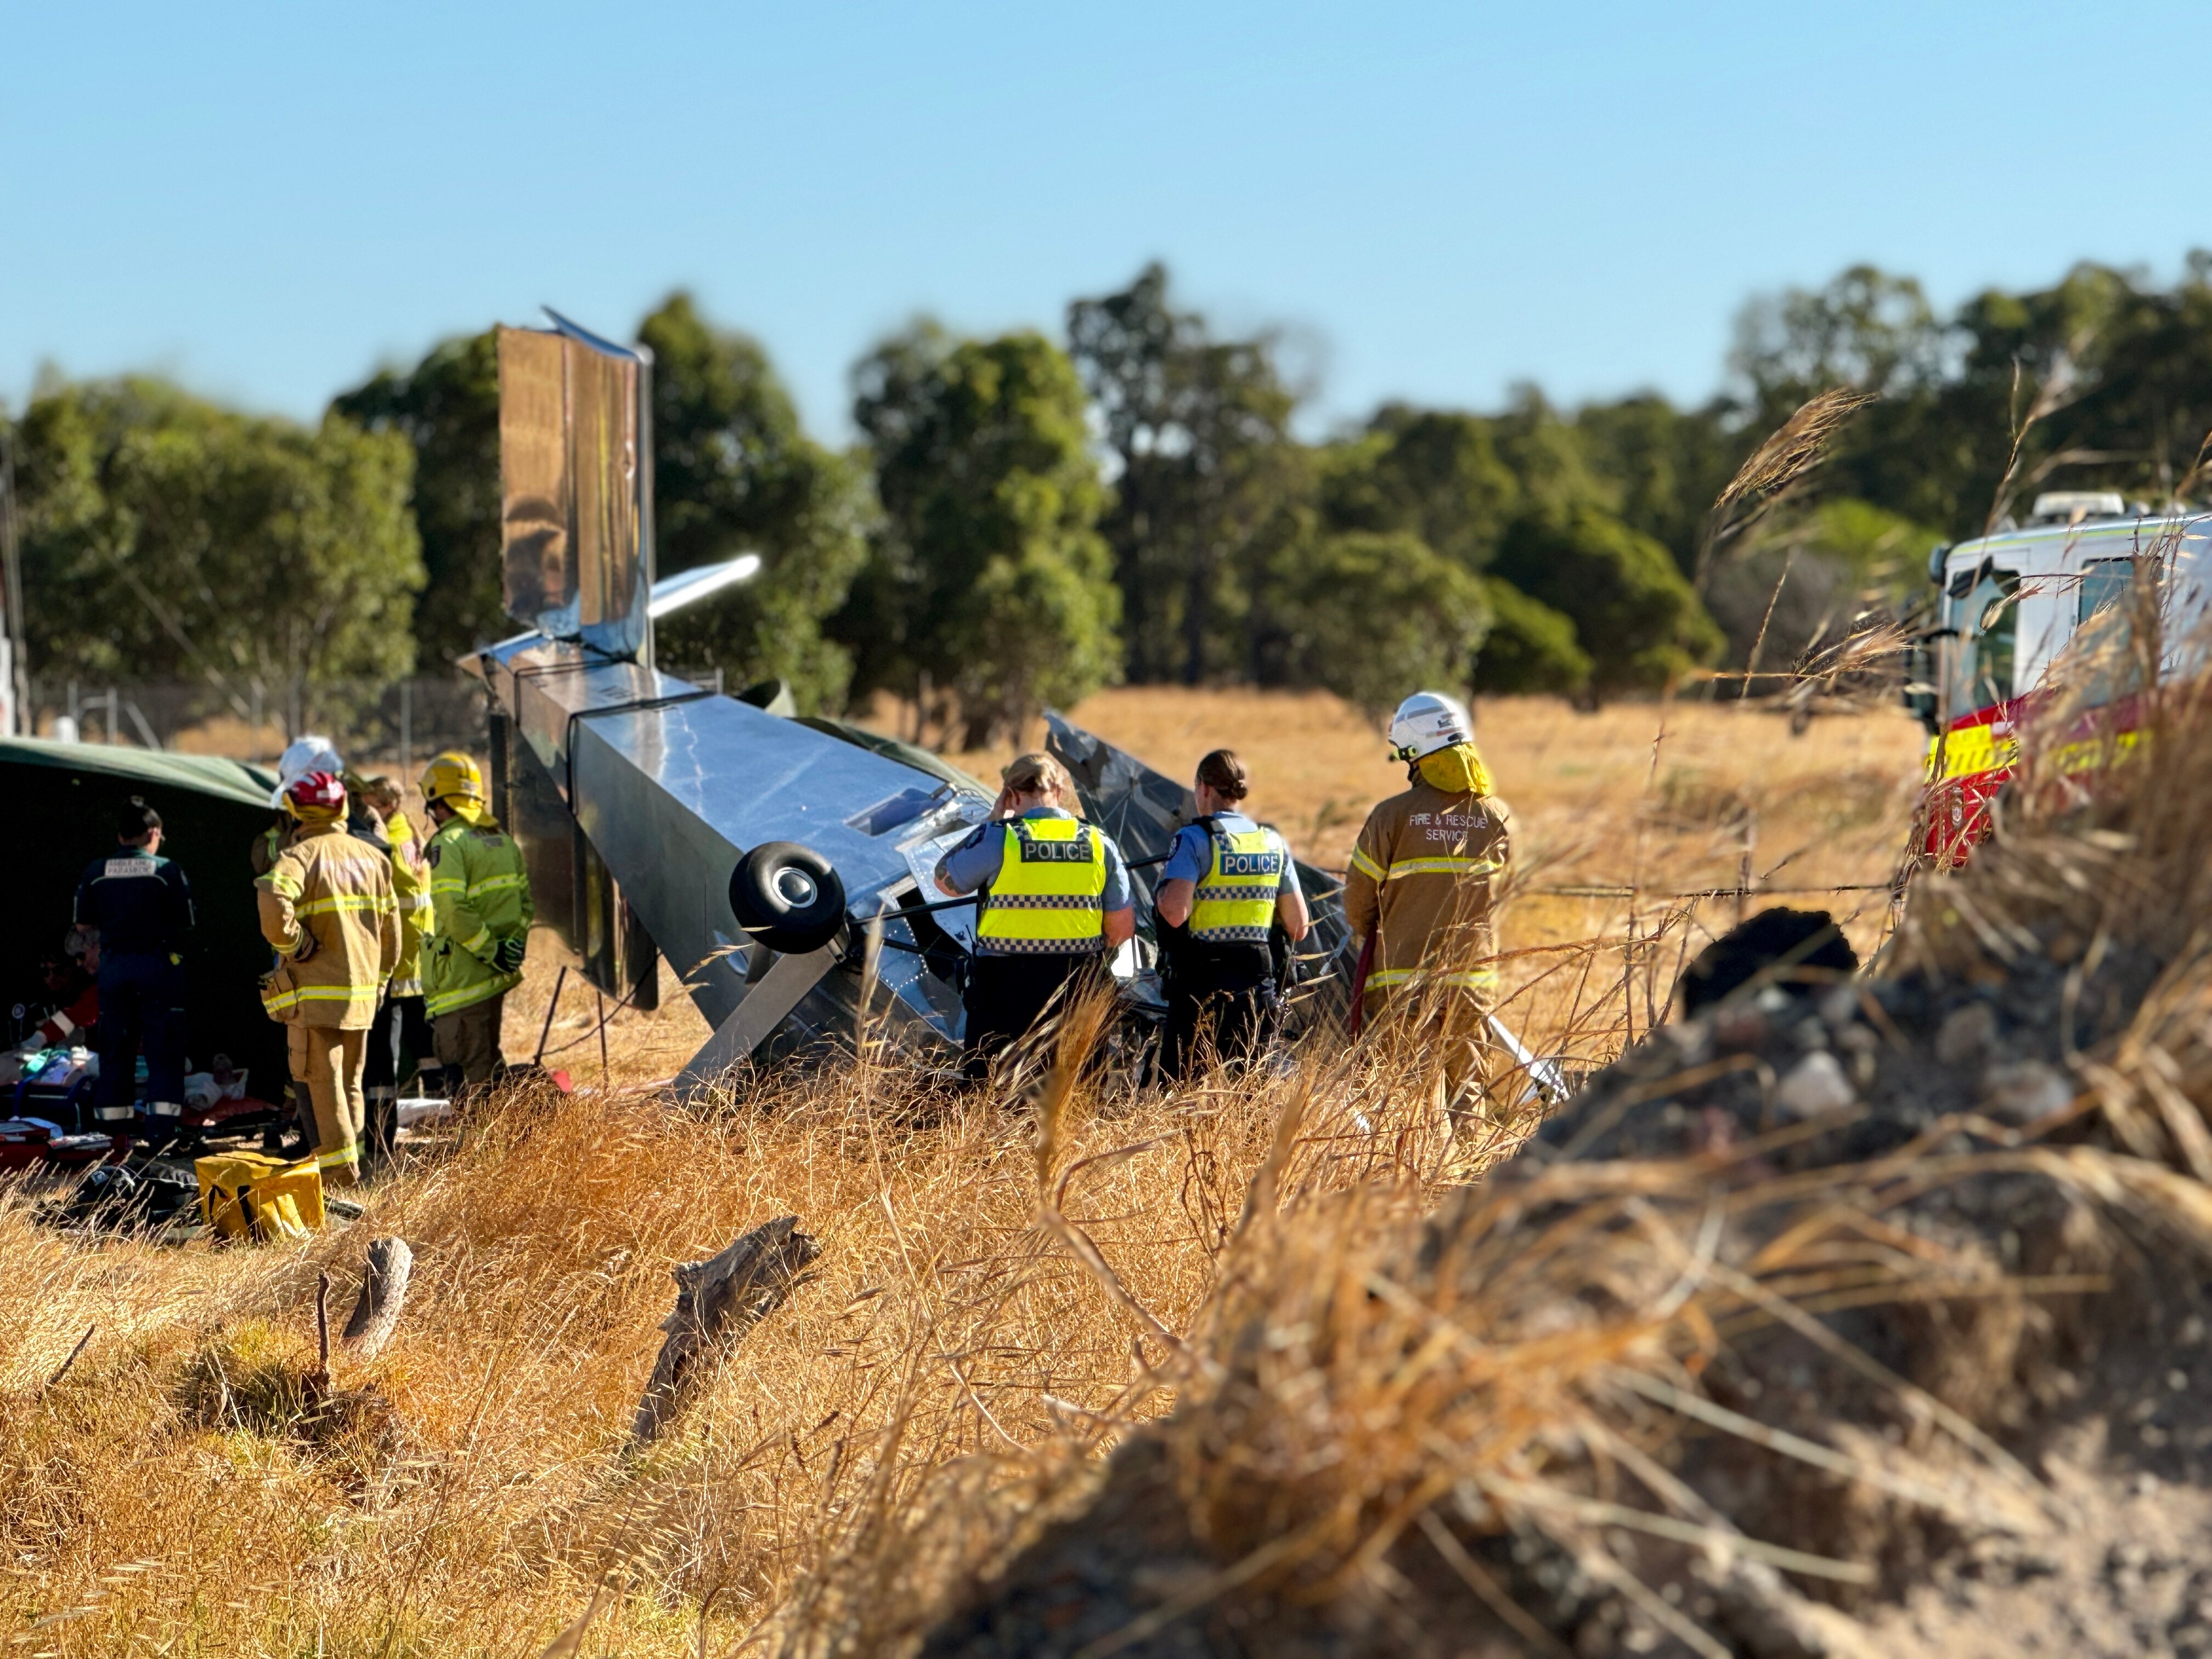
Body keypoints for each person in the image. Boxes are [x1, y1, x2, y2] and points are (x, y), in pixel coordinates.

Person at [1342, 691, 1512, 1124]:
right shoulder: (1496, 817)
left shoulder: (1391, 816)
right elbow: (1505, 897)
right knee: (1467, 1094)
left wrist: (1375, 932)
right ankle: (1465, 1181)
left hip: (1403, 983)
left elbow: (1359, 900)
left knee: (1401, 1098)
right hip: (1471, 981)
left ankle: (1403, 1183)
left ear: (1415, 752)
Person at [933, 752, 1136, 1082]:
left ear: (1011, 795)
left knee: (992, 1093)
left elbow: (945, 882)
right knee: (1072, 1095)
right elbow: (1121, 931)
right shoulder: (1099, 843)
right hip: (1076, 989)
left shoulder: (1000, 837)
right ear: (1060, 791)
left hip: (1003, 990)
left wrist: (992, 820)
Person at [255, 771, 400, 1189]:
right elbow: (393, 932)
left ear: (298, 810)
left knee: (322, 1081)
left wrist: (296, 944)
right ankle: (355, 1168)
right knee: (352, 1083)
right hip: (362, 994)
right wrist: (380, 982)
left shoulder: (301, 855)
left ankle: (339, 1179)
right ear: (341, 808)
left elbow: (271, 896)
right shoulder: (374, 858)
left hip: (316, 996)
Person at [1152, 749, 1310, 1081]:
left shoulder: (1194, 840)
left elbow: (1176, 913)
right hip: (1256, 989)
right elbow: (1298, 927)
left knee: (1179, 1095)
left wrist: (1162, 888)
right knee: (1250, 1095)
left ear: (1204, 788)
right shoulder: (1272, 843)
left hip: (1201, 988)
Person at [74, 797, 194, 1137]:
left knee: (115, 1048)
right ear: (153, 832)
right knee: (164, 1048)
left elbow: (83, 926)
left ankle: (113, 1136)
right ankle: (161, 1133)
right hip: (157, 965)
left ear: (120, 834)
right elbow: (185, 923)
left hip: (114, 968)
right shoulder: (167, 870)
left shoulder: (96, 871)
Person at [417, 751, 533, 1093]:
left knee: (469, 1074)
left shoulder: (448, 844)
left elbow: (453, 910)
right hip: (492, 978)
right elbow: (525, 904)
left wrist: (491, 950)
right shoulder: (503, 841)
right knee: (486, 1062)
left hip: (462, 980)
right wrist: (511, 948)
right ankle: (495, 1141)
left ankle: (480, 1146)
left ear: (439, 802)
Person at [356, 775, 435, 1163]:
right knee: (430, 1056)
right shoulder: (411, 835)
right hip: (418, 966)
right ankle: (443, 1137)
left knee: (381, 1067)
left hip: (393, 970)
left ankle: (379, 1146)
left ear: (386, 805)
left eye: (368, 804)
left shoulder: (384, 843)